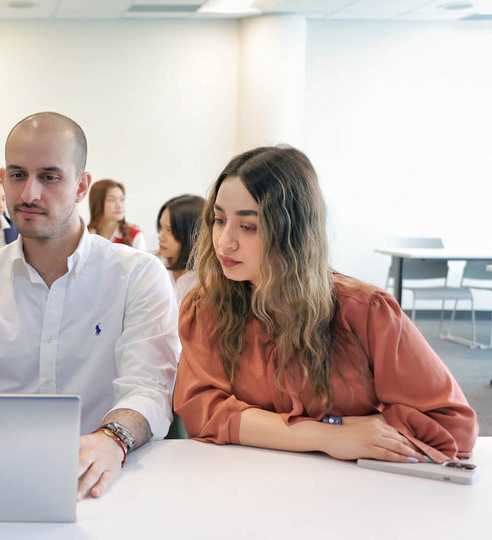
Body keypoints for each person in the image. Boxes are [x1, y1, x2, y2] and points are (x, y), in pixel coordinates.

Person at [0, 113, 180, 500]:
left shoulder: (137, 276)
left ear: (81, 186)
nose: (29, 194)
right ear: (3, 177)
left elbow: (149, 389)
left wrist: (111, 439)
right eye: (17, 175)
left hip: (108, 479)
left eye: (49, 176)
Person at [173, 146, 477, 464]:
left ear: (294, 231)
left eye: (249, 226)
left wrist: (269, 428)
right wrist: (329, 434)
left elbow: (452, 426)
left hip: (347, 487)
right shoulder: (205, 308)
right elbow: (203, 411)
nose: (224, 241)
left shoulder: (365, 311)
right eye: (219, 220)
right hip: (244, 481)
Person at [157, 194, 206, 305]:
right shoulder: (150, 263)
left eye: (169, 230)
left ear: (192, 233)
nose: (160, 236)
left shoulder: (210, 276)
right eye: (161, 227)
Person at [87, 179, 146, 251]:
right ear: (98, 203)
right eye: (112, 200)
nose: (119, 205)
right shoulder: (85, 235)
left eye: (122, 199)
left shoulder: (134, 236)